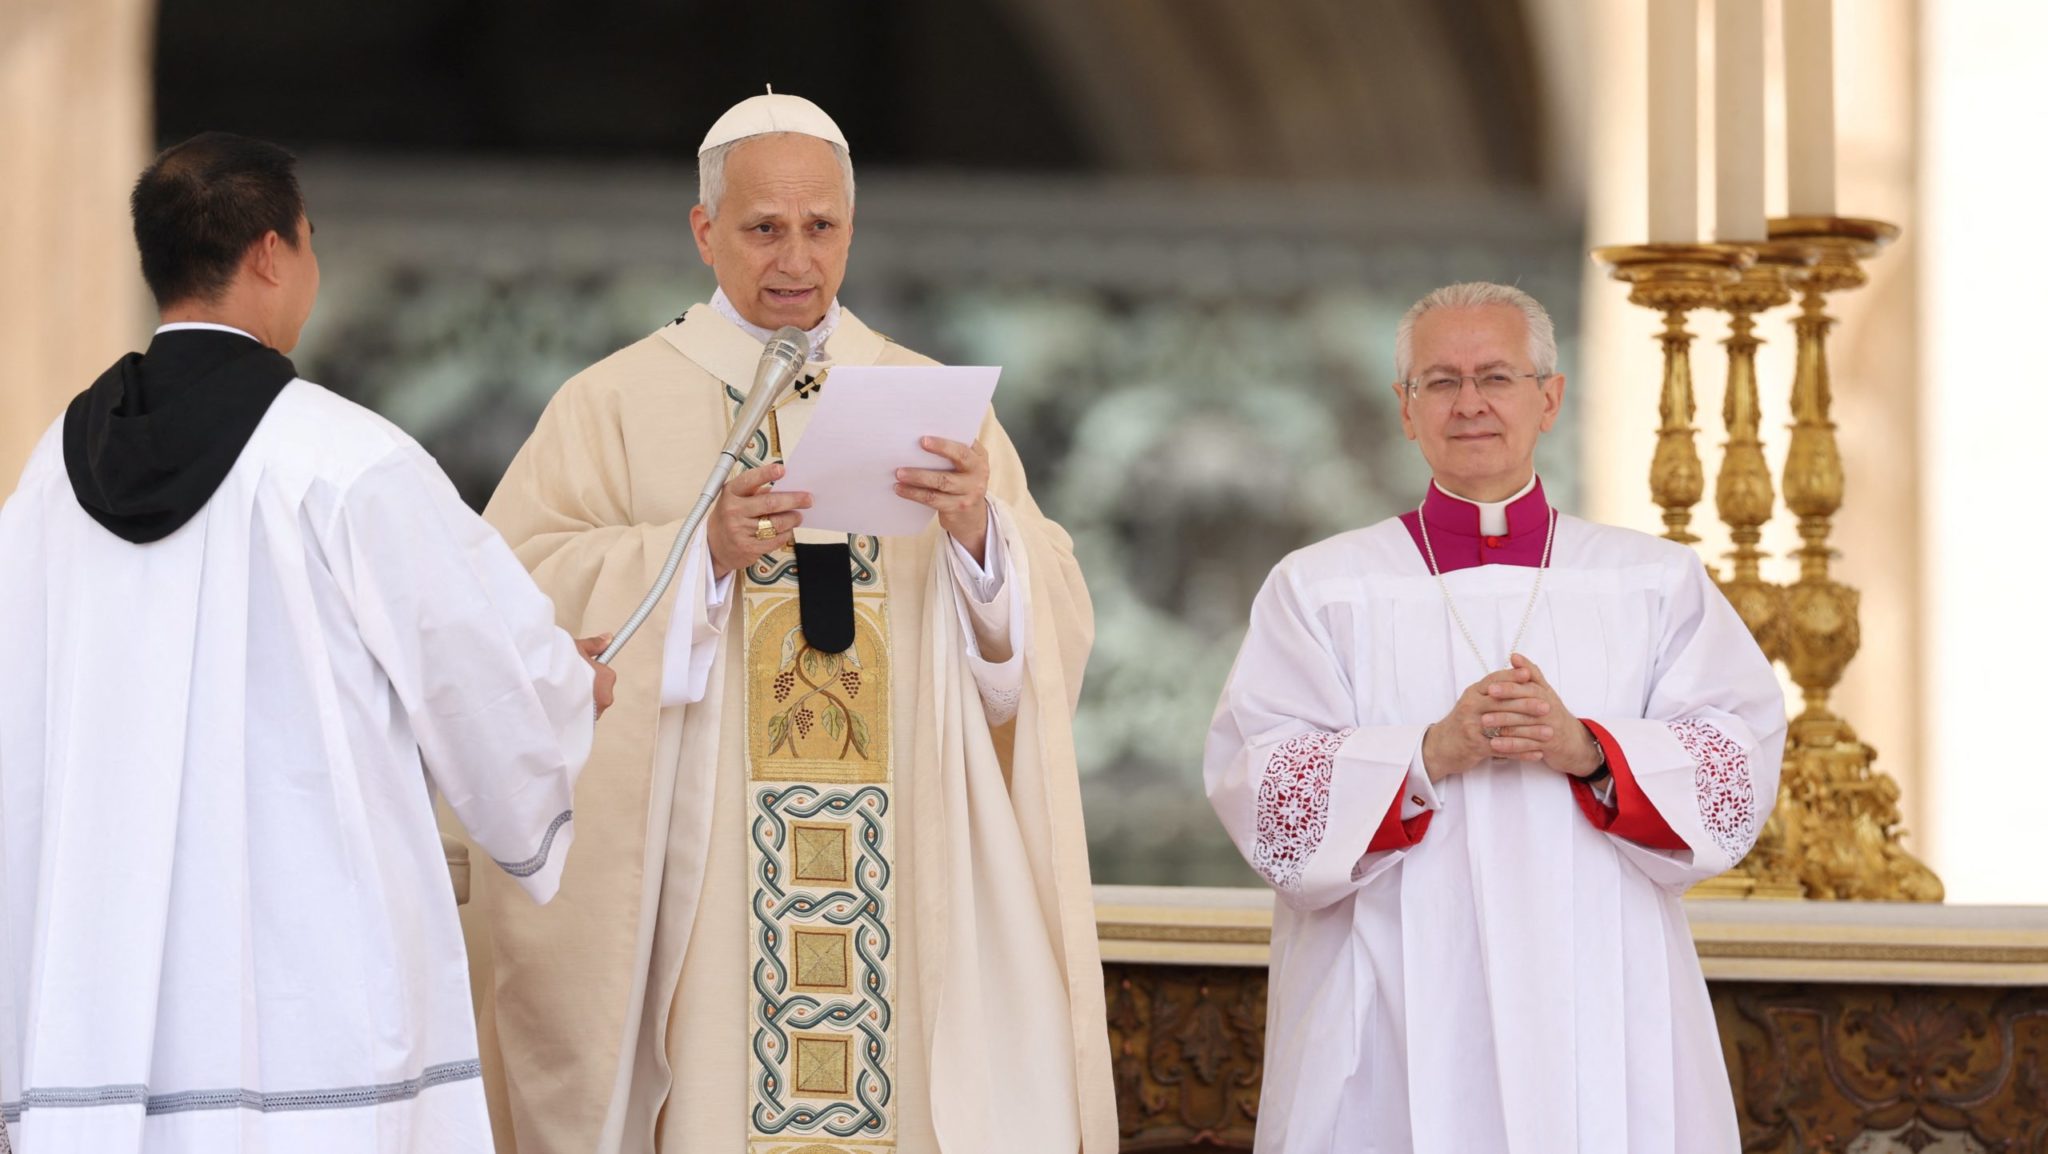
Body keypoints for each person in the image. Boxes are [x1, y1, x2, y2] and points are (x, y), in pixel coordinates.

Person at [464, 90, 1114, 1154]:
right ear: (703, 230)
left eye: (821, 228)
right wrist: (696, 556)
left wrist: (975, 534)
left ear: (850, 228)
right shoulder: (615, 401)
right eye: (764, 227)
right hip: (709, 882)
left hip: (900, 878)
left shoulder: (926, 396)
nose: (795, 258)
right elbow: (512, 602)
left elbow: (1048, 628)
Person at [0, 132, 613, 1154]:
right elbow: (476, 665)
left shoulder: (49, 479)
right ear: (274, 253)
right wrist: (563, 684)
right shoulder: (346, 460)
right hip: (311, 1012)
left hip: (103, 1001)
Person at [1205, 282, 1784, 1153]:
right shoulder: (1322, 587)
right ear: (1405, 409)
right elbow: (1263, 787)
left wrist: (1588, 748)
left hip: (1601, 990)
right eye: (1439, 381)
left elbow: (1734, 763)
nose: (1469, 403)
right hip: (1395, 986)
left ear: (1549, 398)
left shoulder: (1652, 582)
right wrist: (1428, 753)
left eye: (1496, 377)